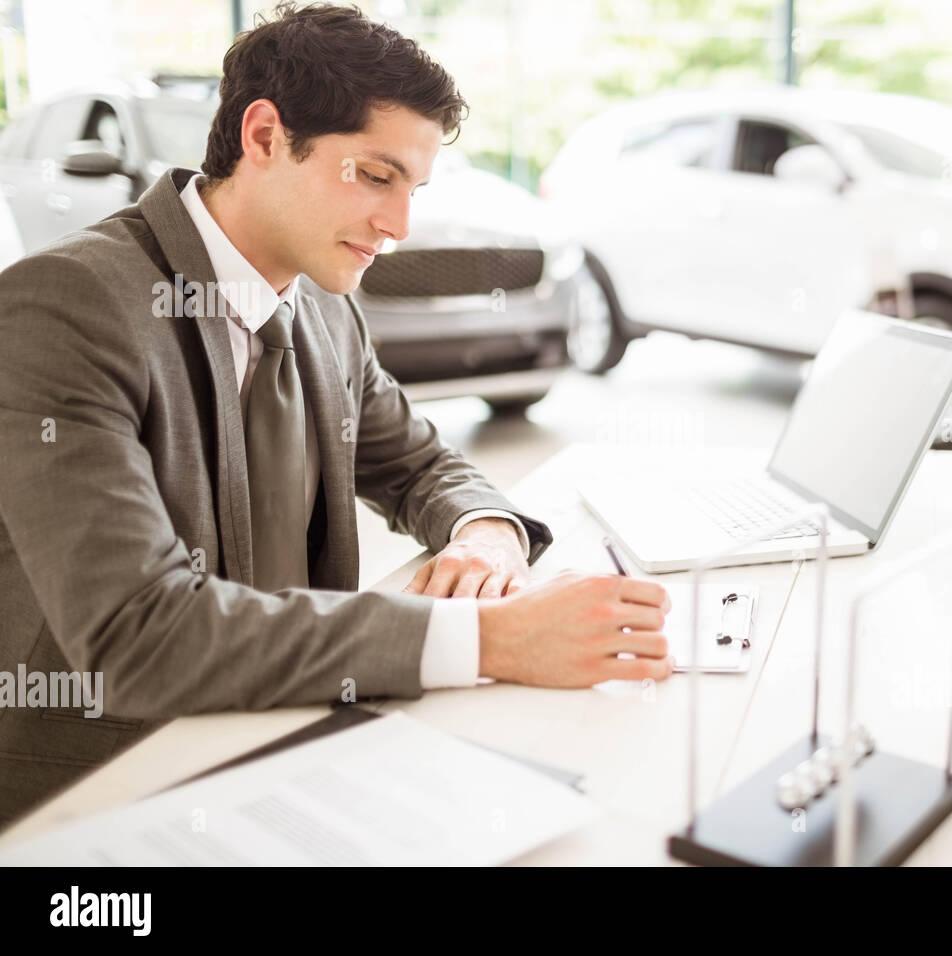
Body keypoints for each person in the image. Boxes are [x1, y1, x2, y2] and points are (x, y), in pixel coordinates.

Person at [0, 1, 672, 829]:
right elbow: (140, 633)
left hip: (287, 738)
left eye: (415, 189)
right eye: (376, 176)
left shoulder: (321, 306)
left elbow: (420, 463)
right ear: (263, 136)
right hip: (105, 791)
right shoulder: (67, 306)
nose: (398, 227)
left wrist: (485, 530)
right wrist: (494, 639)